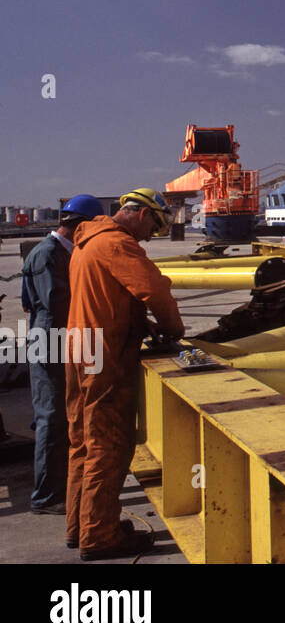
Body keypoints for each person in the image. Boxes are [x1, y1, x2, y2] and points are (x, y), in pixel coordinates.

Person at [66, 188, 184, 560]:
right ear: (141, 214)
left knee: (82, 441)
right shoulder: (117, 244)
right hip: (104, 356)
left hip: (77, 348)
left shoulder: (86, 242)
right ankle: (100, 536)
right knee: (108, 443)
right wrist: (172, 329)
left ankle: (80, 525)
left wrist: (138, 322)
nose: (152, 235)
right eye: (156, 226)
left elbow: (106, 296)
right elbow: (154, 290)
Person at [20, 195, 105, 514]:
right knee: (51, 418)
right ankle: (45, 497)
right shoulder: (47, 254)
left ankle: (60, 486)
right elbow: (59, 303)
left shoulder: (61, 253)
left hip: (59, 339)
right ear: (80, 225)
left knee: (61, 416)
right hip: (50, 341)